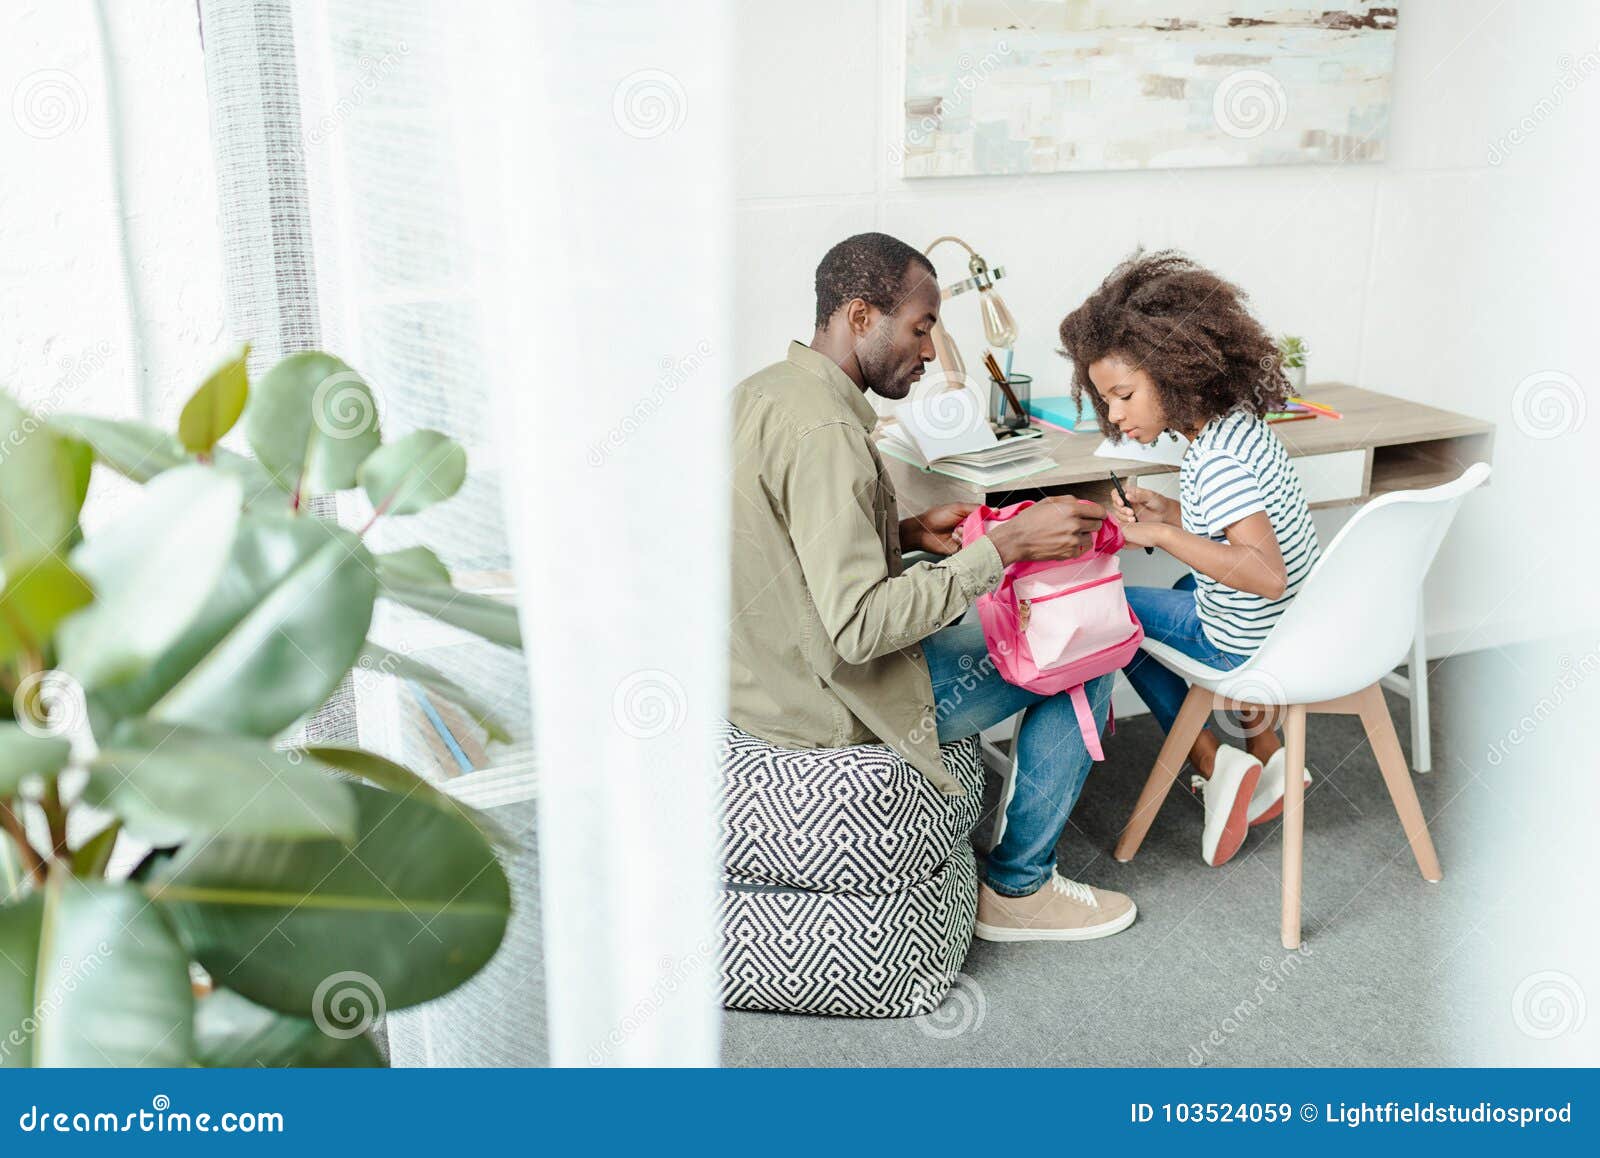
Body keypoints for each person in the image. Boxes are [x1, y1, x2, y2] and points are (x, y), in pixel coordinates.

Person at [729, 232, 1135, 942]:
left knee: (996, 610)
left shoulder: (765, 392)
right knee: (1083, 648)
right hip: (828, 699)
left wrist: (906, 534)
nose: (928, 350)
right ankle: (1018, 889)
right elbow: (857, 629)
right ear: (861, 317)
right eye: (921, 328)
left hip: (760, 676)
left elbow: (782, 548)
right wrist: (1003, 546)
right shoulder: (828, 431)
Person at [1058, 249, 1323, 868]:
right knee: (1182, 579)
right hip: (1298, 624)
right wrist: (1174, 516)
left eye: (1123, 394)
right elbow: (1239, 533)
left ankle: (1214, 762)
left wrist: (1159, 536)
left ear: (1173, 371)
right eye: (1106, 400)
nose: (1115, 415)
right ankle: (1269, 752)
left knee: (1109, 611)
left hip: (1250, 638)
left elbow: (1261, 572)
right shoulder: (1237, 429)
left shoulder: (1214, 459)